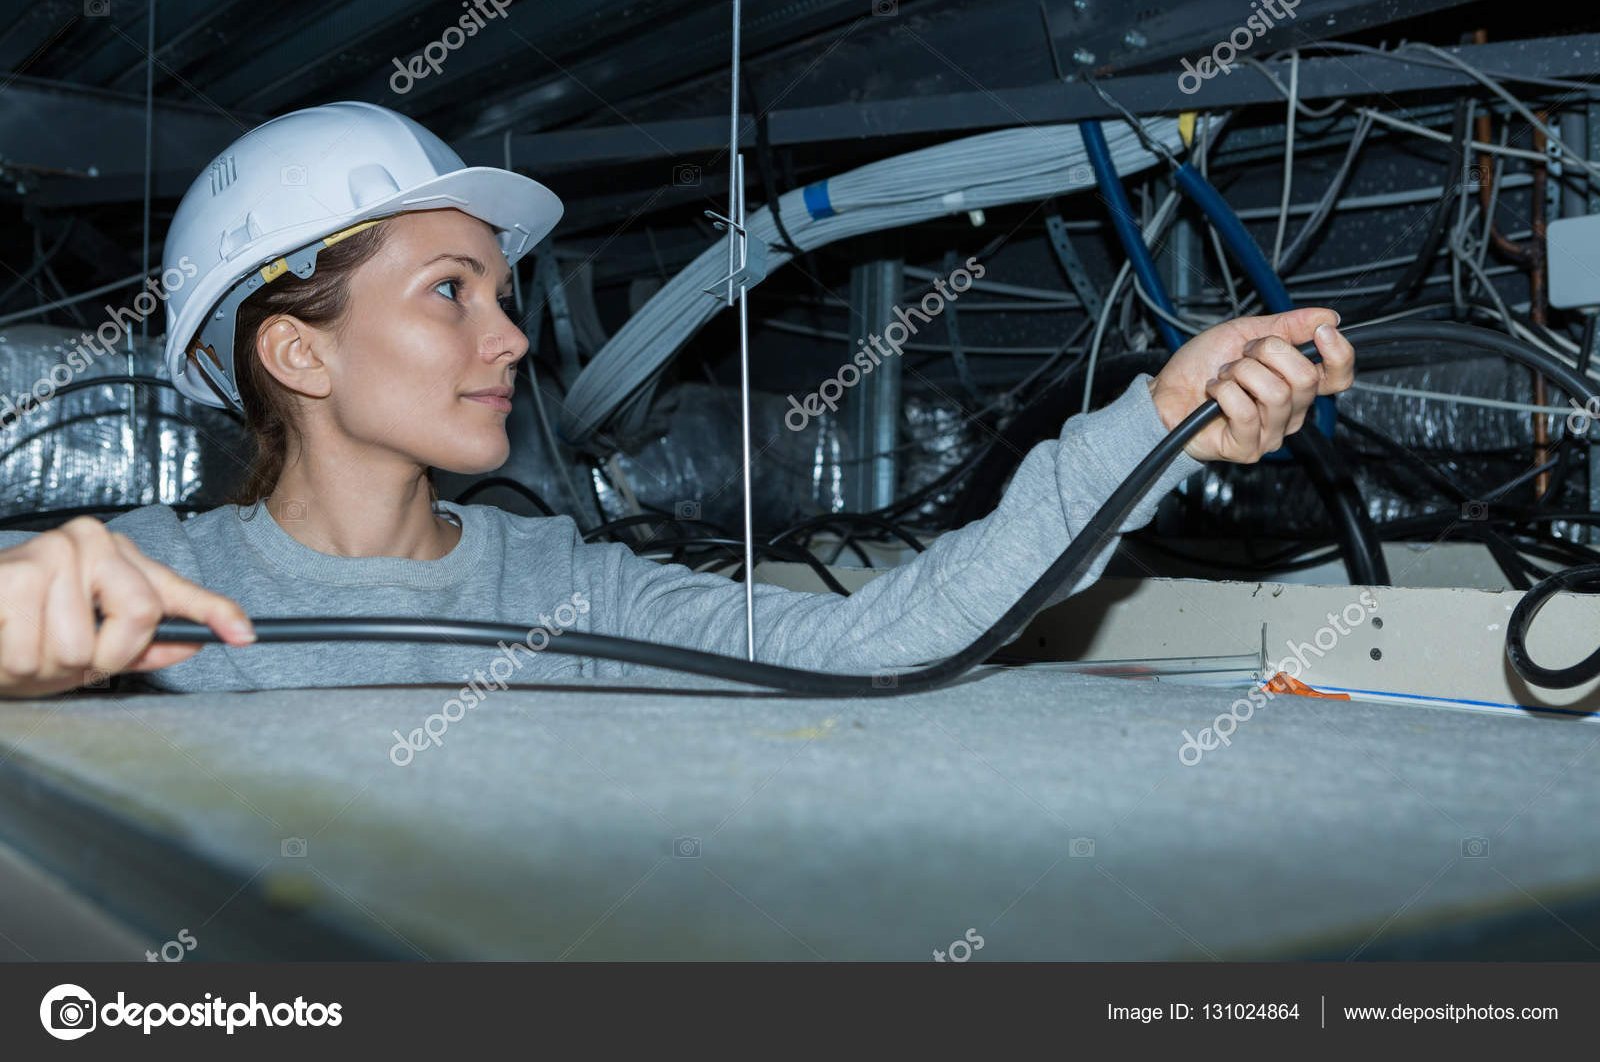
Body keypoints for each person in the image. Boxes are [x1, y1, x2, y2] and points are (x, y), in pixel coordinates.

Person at [0, 102, 1355, 699]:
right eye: (449, 292)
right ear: (299, 354)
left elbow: (894, 637)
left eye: (500, 292)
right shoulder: (124, 588)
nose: (513, 337)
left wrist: (1155, 422)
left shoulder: (576, 592)